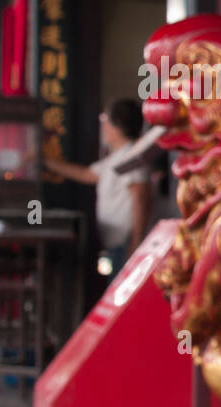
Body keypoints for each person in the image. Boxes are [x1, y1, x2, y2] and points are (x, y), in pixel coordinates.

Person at [45, 98, 151, 277]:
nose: (103, 127)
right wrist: (45, 161)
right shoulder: (118, 157)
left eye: (105, 120)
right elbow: (87, 174)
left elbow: (140, 197)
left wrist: (136, 242)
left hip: (126, 244)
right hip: (116, 244)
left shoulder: (132, 157)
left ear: (117, 126)